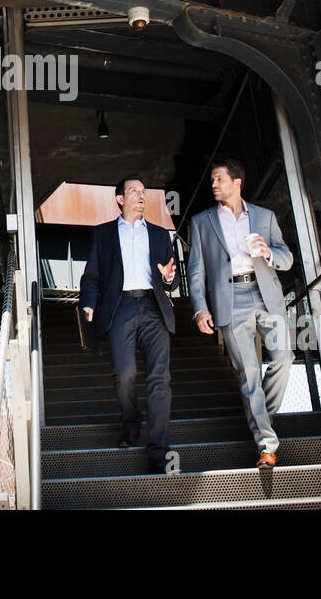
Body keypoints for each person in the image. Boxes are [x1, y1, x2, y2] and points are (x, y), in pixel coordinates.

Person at [187, 157, 294, 468]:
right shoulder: (201, 222)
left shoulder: (264, 217)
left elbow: (287, 257)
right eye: (212, 180)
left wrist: (269, 252)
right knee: (249, 373)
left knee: (284, 358)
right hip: (230, 299)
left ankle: (261, 418)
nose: (213, 184)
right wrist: (199, 309)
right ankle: (267, 445)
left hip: (266, 294)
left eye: (219, 179)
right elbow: (196, 271)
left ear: (237, 182)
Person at [79, 177, 179, 473]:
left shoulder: (160, 235)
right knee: (125, 375)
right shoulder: (103, 233)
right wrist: (88, 302)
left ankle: (159, 451)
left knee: (160, 377)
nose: (140, 195)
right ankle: (131, 424)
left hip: (153, 306)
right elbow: (91, 275)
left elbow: (170, 279)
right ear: (120, 199)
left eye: (143, 191)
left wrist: (169, 279)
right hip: (119, 307)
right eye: (134, 191)